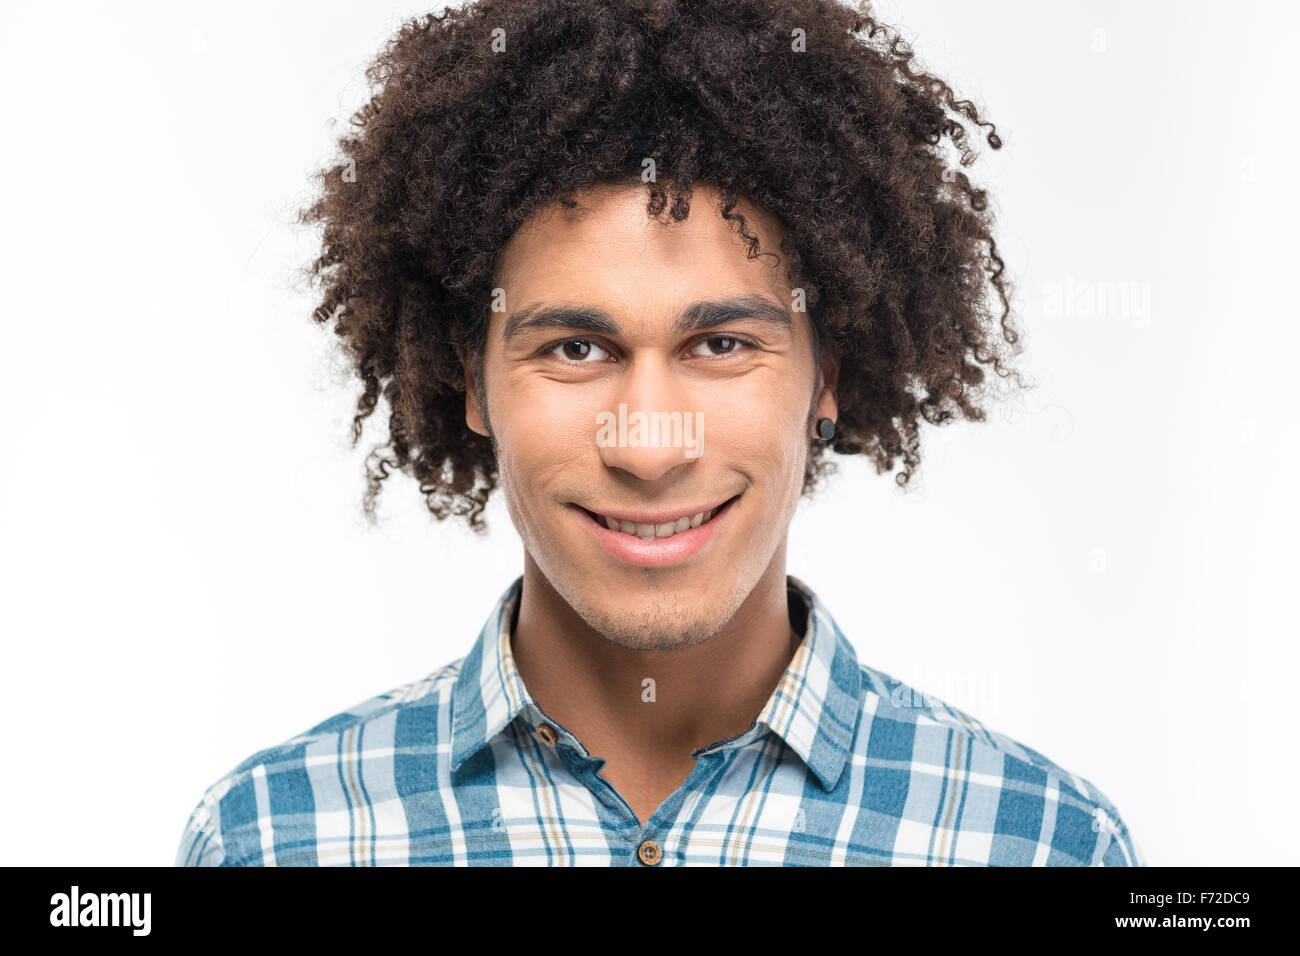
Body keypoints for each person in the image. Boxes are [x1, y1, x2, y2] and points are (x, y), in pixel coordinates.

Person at [177, 0, 1143, 866]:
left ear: (828, 375)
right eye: (574, 349)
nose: (649, 443)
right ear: (469, 379)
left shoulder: (1041, 845)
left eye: (720, 343)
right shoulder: (272, 838)